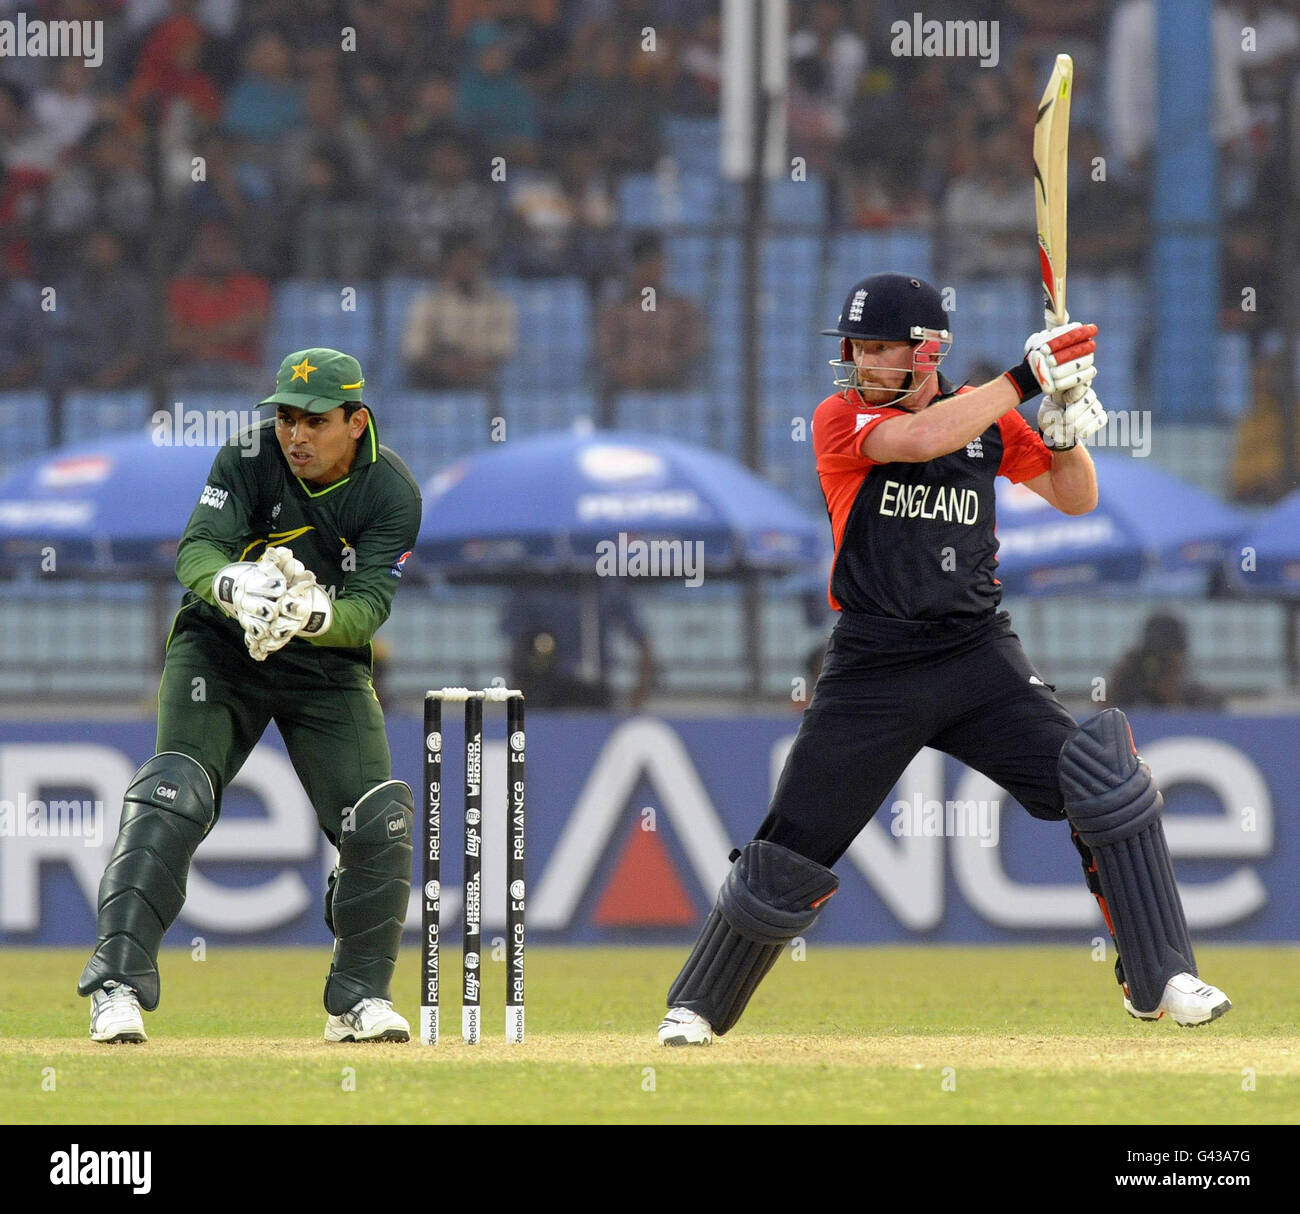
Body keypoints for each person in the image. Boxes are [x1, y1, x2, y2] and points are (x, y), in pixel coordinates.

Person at [657, 273, 1231, 1046]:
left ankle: (1159, 979)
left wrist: (1063, 427)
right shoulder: (842, 418)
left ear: (926, 352)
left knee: (1104, 784)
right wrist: (1026, 378)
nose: (861, 360)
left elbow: (1075, 497)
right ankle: (695, 1005)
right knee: (796, 837)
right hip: (873, 663)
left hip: (976, 656)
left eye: (879, 347)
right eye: (855, 347)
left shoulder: (989, 426)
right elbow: (922, 439)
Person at [79, 347, 423, 1045]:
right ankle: (115, 987)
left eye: (315, 421)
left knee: (378, 819)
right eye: (287, 417)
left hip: (323, 666)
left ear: (356, 421)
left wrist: (314, 615)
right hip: (219, 650)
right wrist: (235, 585)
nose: (295, 434)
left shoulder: (392, 494)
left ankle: (359, 1000)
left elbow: (368, 605)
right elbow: (196, 550)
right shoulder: (246, 453)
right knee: (172, 793)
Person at [1109, 613, 1225, 709]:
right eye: (1153, 658)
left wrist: (1171, 695)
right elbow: (1102, 718)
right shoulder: (1128, 686)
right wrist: (1122, 678)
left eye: (1165, 660)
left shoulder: (1200, 698)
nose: (1158, 667)